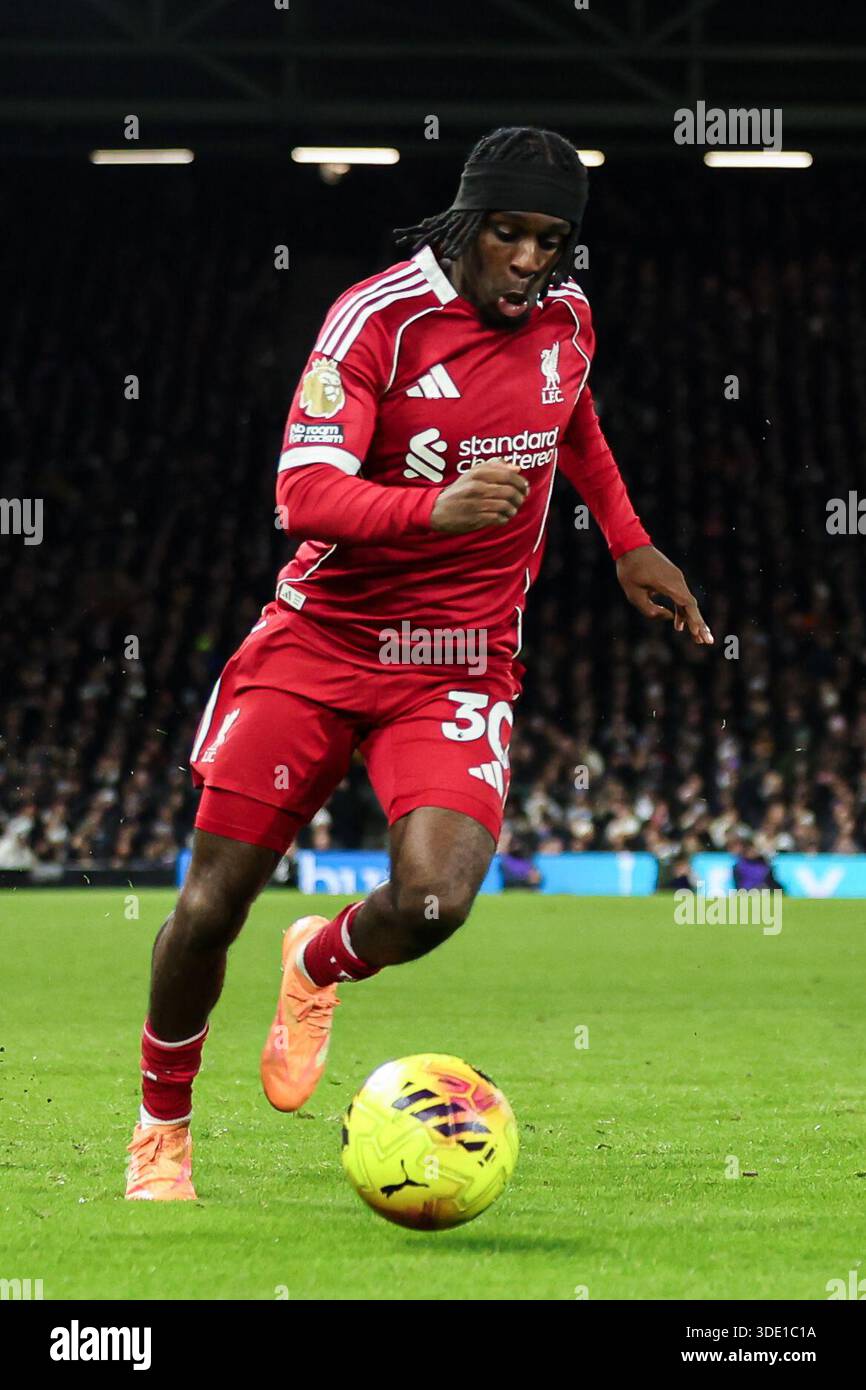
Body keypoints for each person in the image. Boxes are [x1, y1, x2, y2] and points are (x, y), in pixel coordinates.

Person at [125, 125, 712, 1200]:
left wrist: (626, 538)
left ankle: (320, 961)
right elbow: (301, 494)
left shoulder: (566, 320)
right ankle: (162, 1127)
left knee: (435, 900)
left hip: (457, 660)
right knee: (209, 908)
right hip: (320, 642)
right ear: (464, 221)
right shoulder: (375, 321)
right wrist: (430, 511)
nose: (530, 261)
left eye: (550, 240)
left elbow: (570, 419)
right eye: (508, 233)